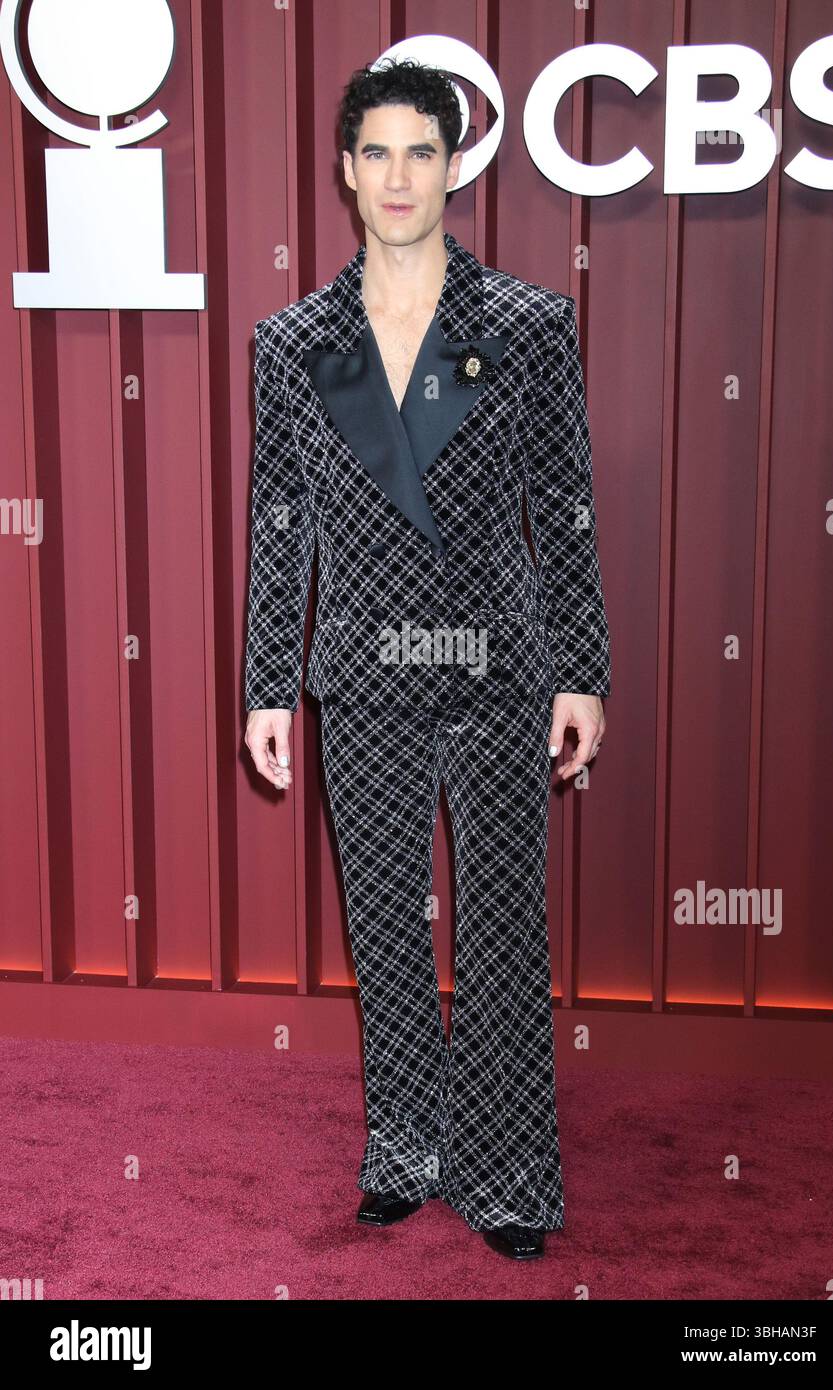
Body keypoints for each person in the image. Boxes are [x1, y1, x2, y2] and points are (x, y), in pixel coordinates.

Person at [243, 57, 611, 1261]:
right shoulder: (292, 342)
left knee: (503, 928)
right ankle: (406, 1147)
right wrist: (265, 683)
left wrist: (581, 669)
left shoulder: (526, 324)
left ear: (451, 167)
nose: (399, 176)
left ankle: (504, 1170)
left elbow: (562, 504)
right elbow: (278, 517)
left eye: (421, 151)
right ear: (345, 172)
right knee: (390, 927)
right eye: (376, 153)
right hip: (361, 676)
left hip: (499, 665)